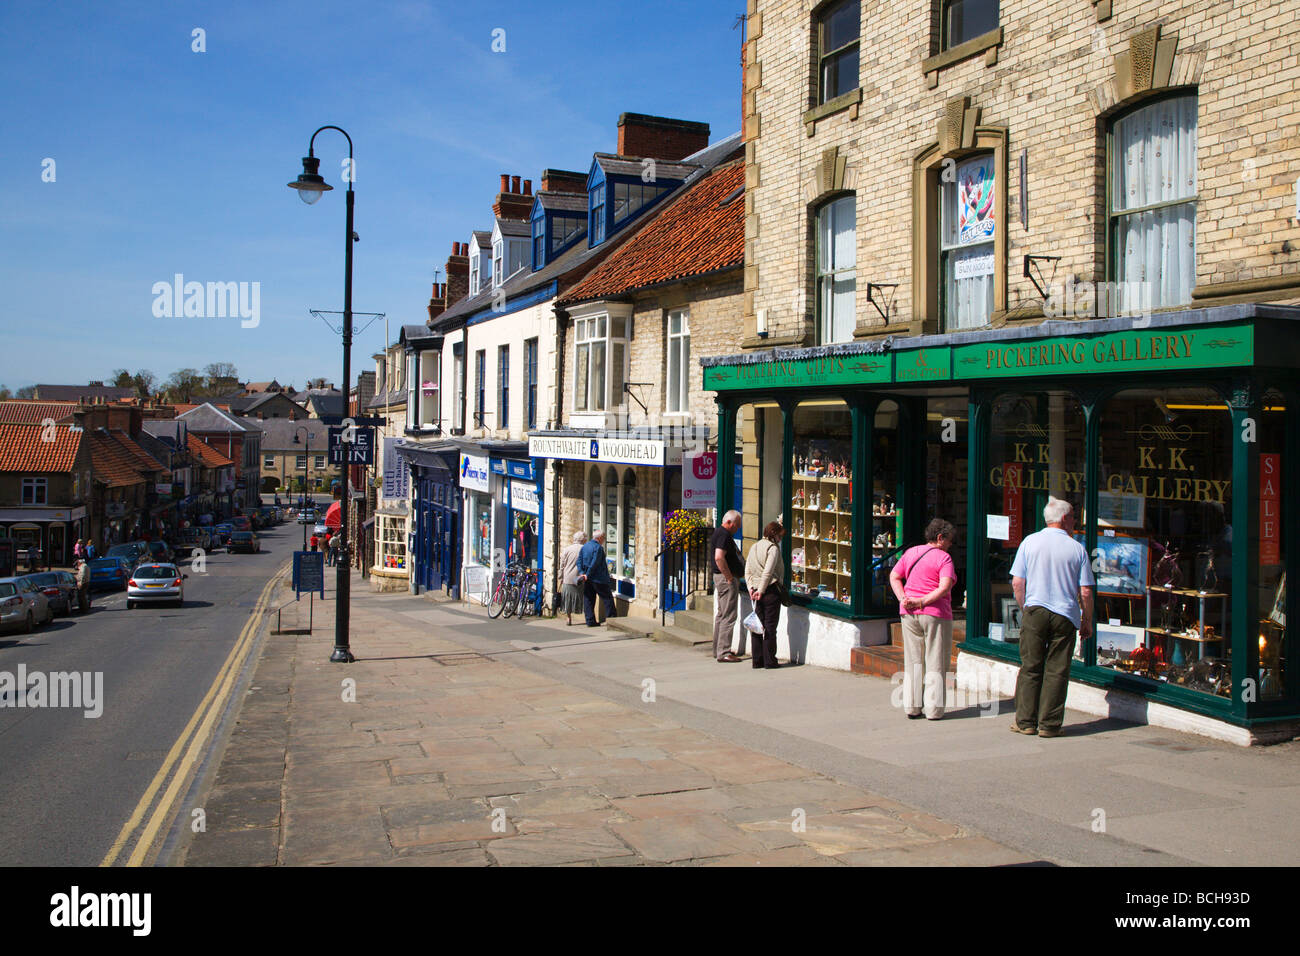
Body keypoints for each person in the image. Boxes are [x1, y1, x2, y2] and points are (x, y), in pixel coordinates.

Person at [1009, 496, 1095, 738]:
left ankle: (1025, 721)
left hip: (1035, 608)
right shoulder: (1076, 548)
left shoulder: (1030, 542)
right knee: (1057, 669)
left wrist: (1026, 609)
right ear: (1065, 519)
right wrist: (1086, 620)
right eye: (1074, 518)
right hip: (1065, 613)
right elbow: (1086, 591)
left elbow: (1017, 582)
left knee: (1030, 667)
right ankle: (1049, 724)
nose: (1075, 522)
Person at [891, 518, 958, 720]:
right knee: (936, 660)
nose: (950, 545)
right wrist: (922, 602)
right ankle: (934, 710)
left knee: (913, 660)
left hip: (908, 613)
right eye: (949, 540)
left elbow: (894, 576)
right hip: (935, 613)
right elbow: (944, 587)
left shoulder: (911, 553)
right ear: (940, 538)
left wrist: (904, 598)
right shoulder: (944, 558)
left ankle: (912, 707)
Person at [744, 519, 786, 669]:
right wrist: (761, 591)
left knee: (757, 626)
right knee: (769, 627)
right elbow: (768, 572)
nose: (780, 539)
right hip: (769, 591)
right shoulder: (772, 548)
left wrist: (751, 588)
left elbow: (747, 570)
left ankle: (757, 660)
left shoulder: (754, 546)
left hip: (755, 590)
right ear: (774, 534)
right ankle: (769, 661)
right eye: (780, 536)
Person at [711, 510, 745, 663]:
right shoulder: (724, 534)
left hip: (720, 578)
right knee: (728, 616)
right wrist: (729, 577)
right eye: (737, 525)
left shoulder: (719, 532)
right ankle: (723, 651)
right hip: (725, 579)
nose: (737, 528)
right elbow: (719, 557)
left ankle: (718, 649)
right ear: (730, 523)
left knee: (721, 614)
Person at [577, 530, 616, 626]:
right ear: (599, 538)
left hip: (587, 578)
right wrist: (587, 574)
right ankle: (612, 621)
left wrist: (583, 573)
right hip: (599, 578)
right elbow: (595, 563)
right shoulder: (598, 548)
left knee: (589, 599)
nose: (604, 540)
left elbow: (579, 561)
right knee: (607, 599)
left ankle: (590, 621)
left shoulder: (585, 546)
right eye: (603, 537)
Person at [559, 531, 587, 626]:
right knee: (582, 597)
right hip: (580, 577)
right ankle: (586, 615)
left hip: (568, 577)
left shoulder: (567, 549)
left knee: (568, 598)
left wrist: (560, 576)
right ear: (582, 539)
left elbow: (562, 564)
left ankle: (568, 617)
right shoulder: (584, 549)